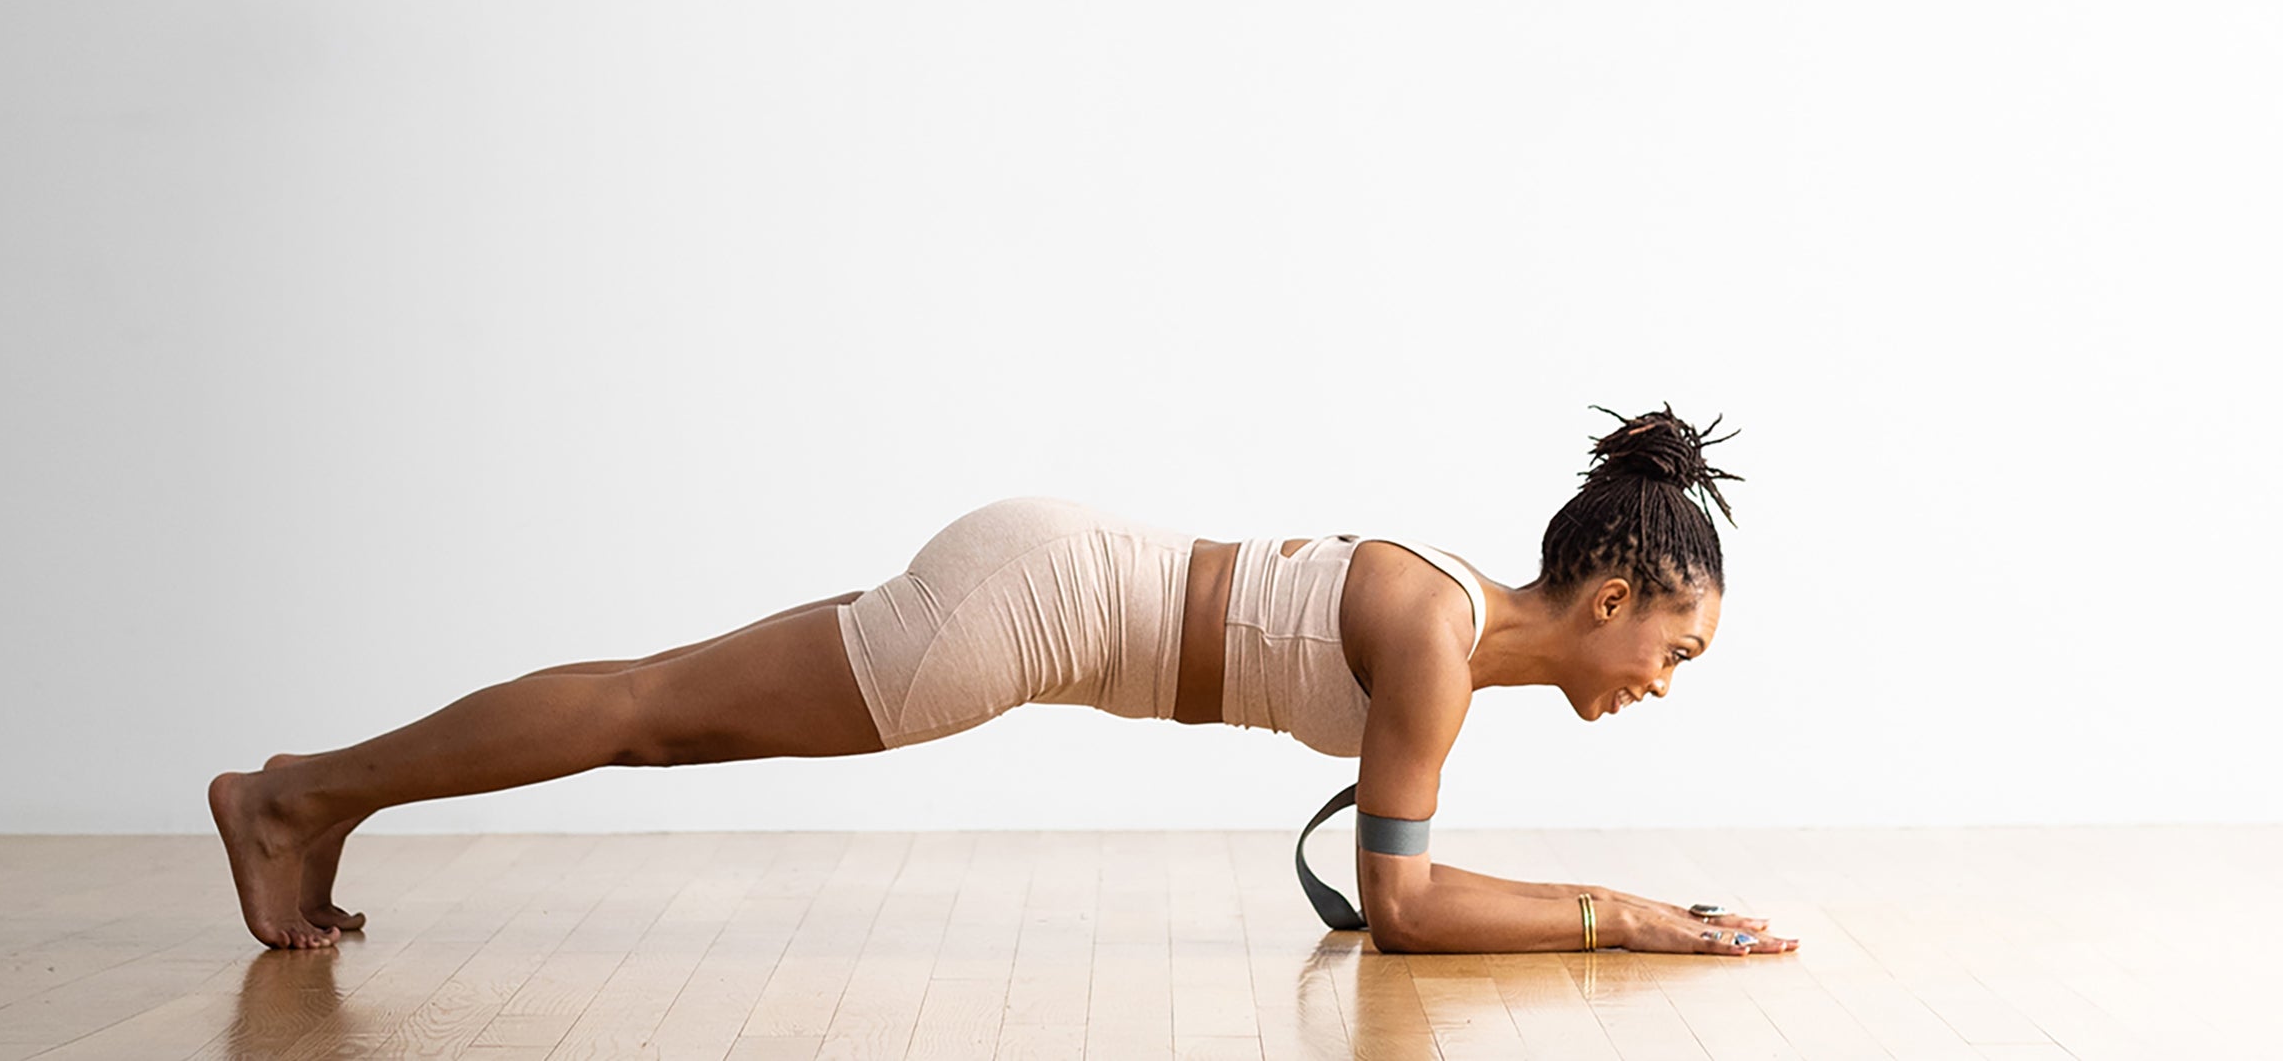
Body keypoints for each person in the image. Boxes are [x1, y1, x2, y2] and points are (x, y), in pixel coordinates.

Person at [211, 403, 1796, 956]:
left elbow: (1404, 894)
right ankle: (295, 795)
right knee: (652, 715)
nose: (1666, 677)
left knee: (659, 704)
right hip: (1027, 611)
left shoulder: (1450, 624)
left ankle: (319, 795)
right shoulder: (1441, 647)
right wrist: (1636, 913)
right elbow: (1406, 909)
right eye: (1674, 645)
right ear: (1609, 596)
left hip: (1037, 570)